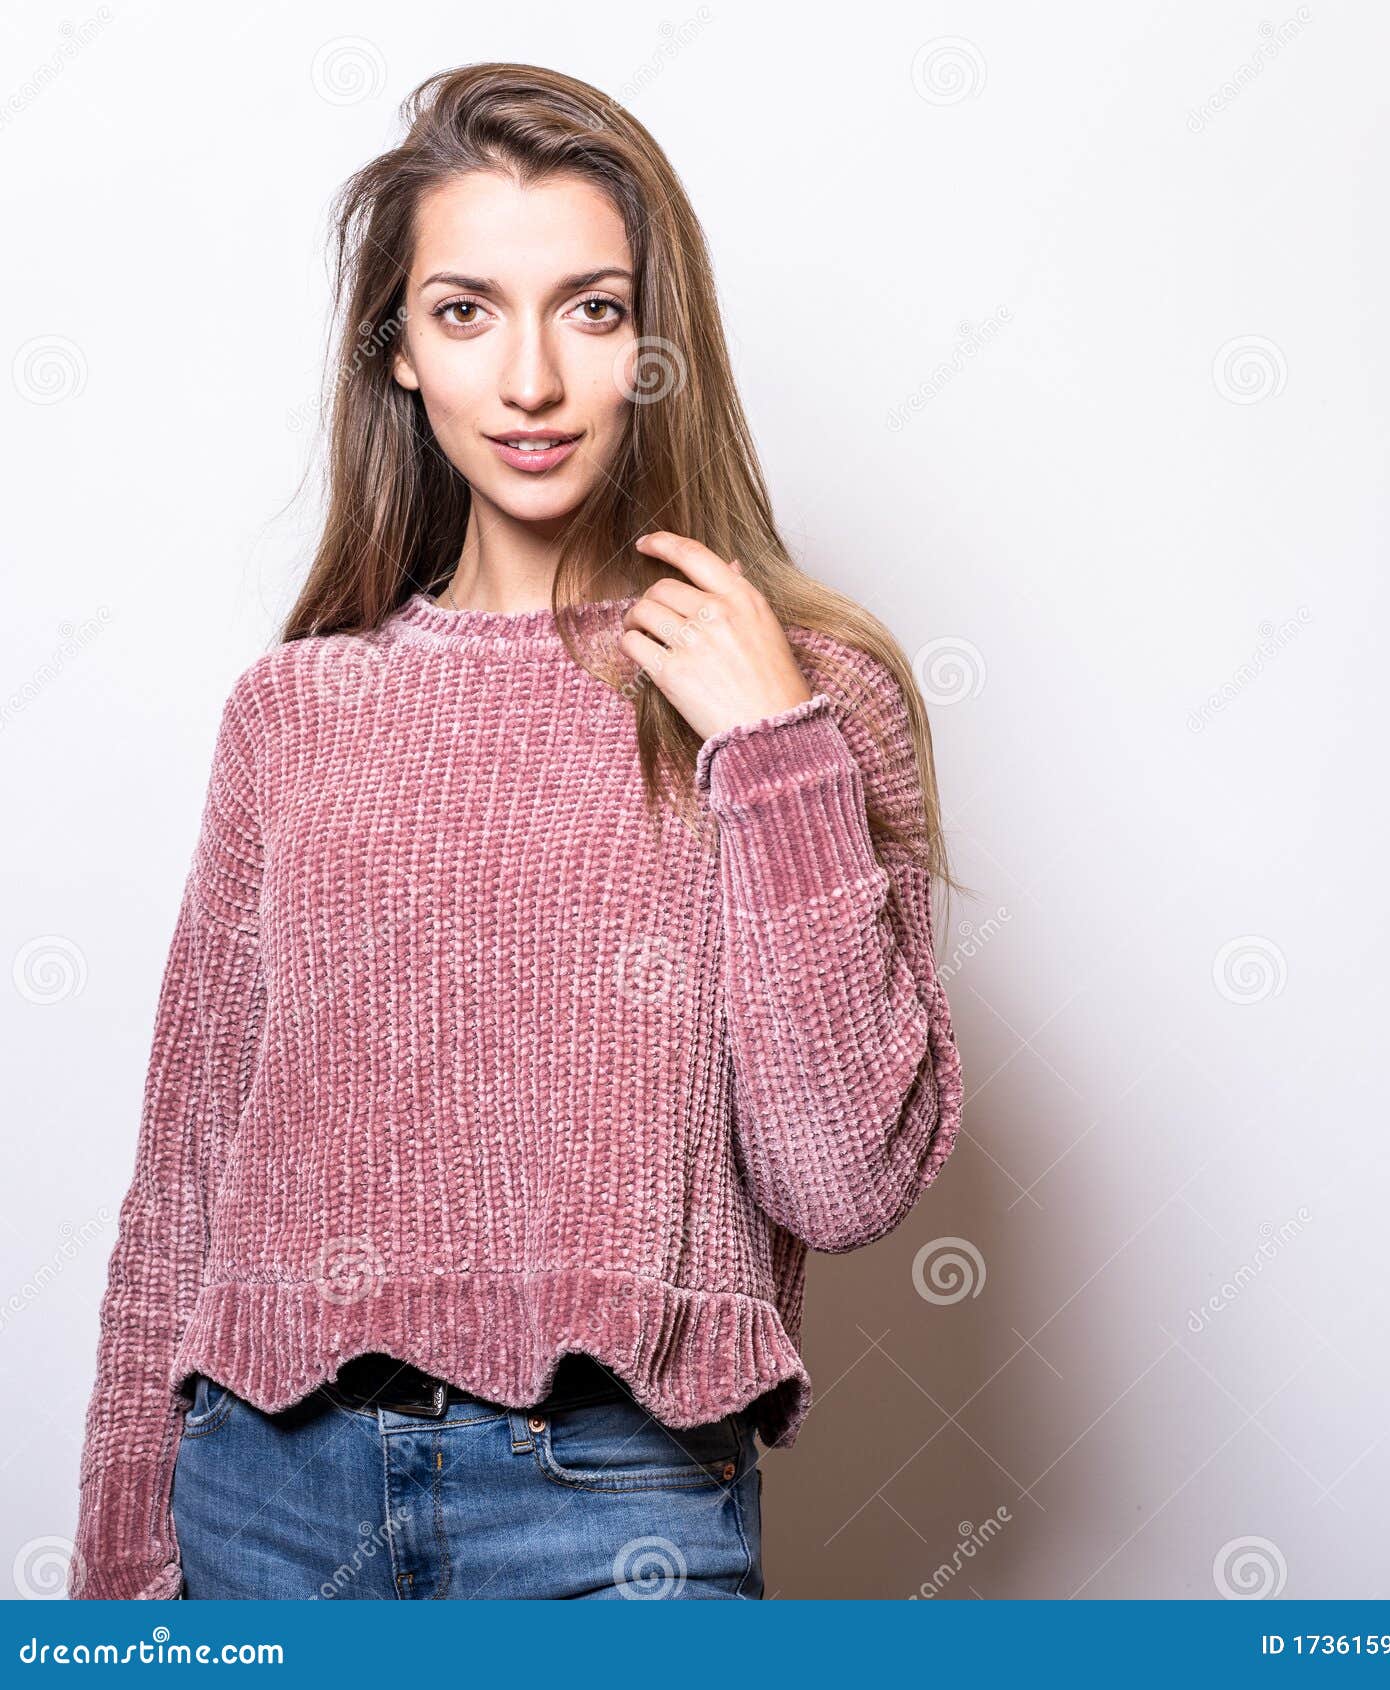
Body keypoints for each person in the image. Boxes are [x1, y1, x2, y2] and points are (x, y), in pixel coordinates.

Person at [68, 60, 965, 1601]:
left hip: (609, 1504)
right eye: (467, 310)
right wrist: (119, 1582)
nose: (532, 381)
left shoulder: (808, 693)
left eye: (594, 310)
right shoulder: (297, 710)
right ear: (400, 353)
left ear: (657, 345)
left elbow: (840, 1178)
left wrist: (772, 749)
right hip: (263, 1495)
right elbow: (185, 1183)